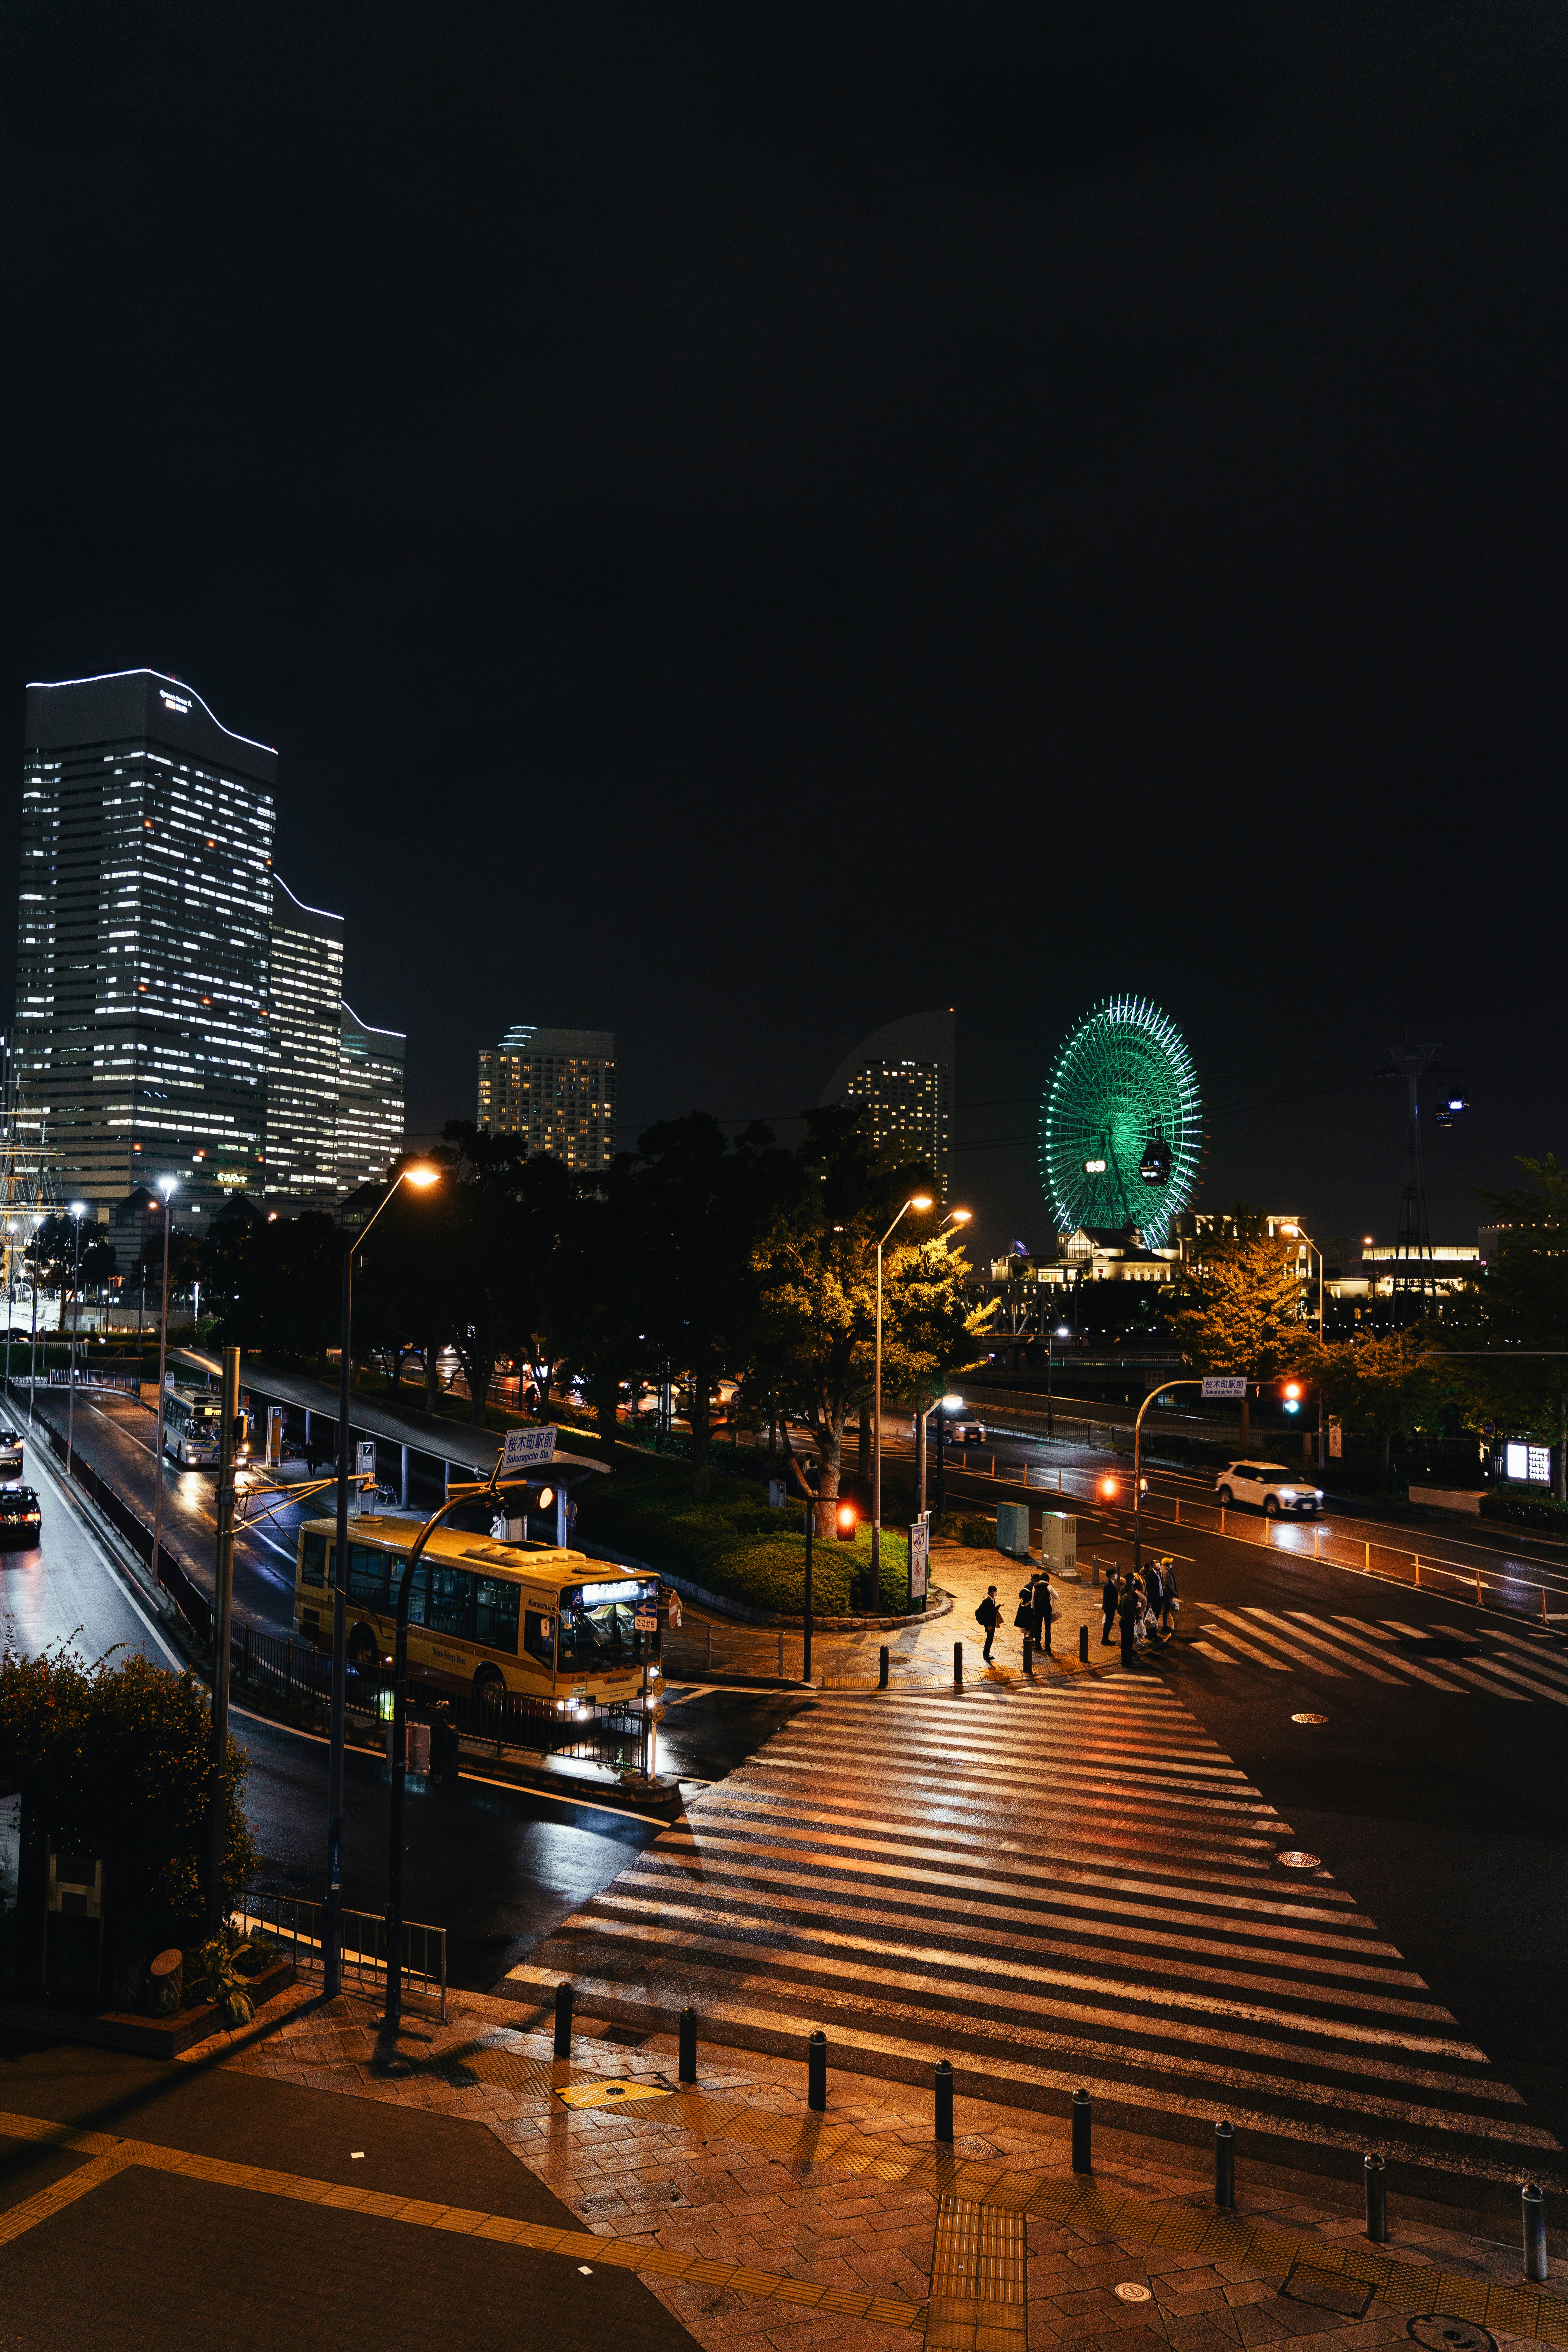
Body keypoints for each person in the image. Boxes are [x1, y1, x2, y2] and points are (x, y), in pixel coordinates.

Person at [1118, 1569, 1141, 1667]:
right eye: (1132, 1588)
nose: (1133, 1589)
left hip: (1123, 1622)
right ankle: (1128, 1662)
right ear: (1129, 1590)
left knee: (1124, 1643)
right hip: (1128, 1623)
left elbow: (1119, 1610)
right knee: (1128, 1643)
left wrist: (1123, 1615)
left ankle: (1124, 1660)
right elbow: (1133, 1614)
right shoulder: (1130, 1600)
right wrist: (1138, 1611)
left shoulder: (1123, 1598)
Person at [976, 1585, 1000, 1663]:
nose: (996, 1593)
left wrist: (999, 1606)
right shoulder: (988, 1601)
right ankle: (986, 1654)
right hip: (989, 1624)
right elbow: (986, 1614)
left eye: (996, 1591)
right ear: (990, 1592)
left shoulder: (993, 1600)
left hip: (992, 1623)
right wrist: (988, 1626)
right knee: (989, 1639)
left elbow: (993, 1611)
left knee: (991, 1639)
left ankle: (987, 1653)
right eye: (994, 1592)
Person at [1100, 1563, 1120, 1647]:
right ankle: (1105, 1639)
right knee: (1108, 1623)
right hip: (1110, 1608)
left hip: (1110, 1608)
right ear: (1112, 1576)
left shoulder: (1110, 1583)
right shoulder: (1109, 1585)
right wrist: (1111, 1608)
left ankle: (1105, 1639)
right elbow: (1108, 1598)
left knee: (1109, 1623)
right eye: (1115, 1574)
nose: (1116, 1575)